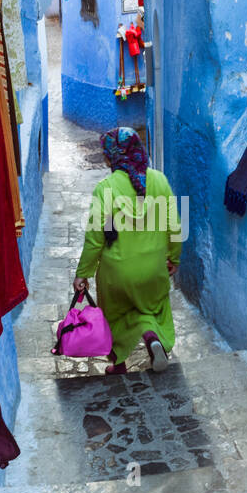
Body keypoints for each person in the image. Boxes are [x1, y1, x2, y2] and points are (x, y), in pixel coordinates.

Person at [73, 128, 182, 374]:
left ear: (113, 156)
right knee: (151, 306)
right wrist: (173, 258)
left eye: (106, 154)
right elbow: (175, 226)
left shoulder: (106, 188)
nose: (104, 158)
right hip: (154, 269)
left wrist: (83, 273)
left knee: (116, 312)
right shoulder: (160, 181)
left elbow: (95, 238)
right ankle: (153, 338)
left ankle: (118, 363)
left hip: (117, 274)